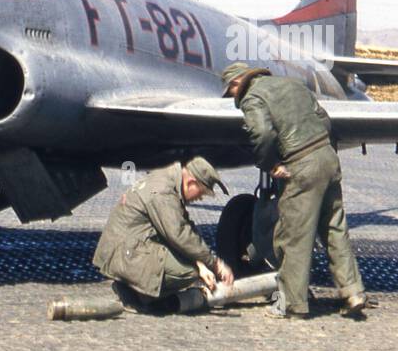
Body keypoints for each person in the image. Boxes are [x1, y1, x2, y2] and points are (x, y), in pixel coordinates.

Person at [220, 61, 369, 319]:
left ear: (236, 83)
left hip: (300, 167)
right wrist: (316, 147)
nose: (233, 96)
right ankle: (353, 292)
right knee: (334, 228)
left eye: (230, 91)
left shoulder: (251, 97)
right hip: (327, 157)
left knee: (295, 236)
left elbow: (263, 134)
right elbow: (323, 119)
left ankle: (291, 304)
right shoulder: (293, 84)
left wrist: (271, 164)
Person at [92, 157, 235, 310]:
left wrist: (201, 263)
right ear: (191, 183)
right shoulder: (163, 193)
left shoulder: (167, 179)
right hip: (126, 254)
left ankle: (134, 287)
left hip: (125, 249)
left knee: (192, 264)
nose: (199, 198)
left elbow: (183, 226)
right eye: (201, 193)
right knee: (188, 272)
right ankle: (141, 295)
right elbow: (179, 235)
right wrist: (215, 264)